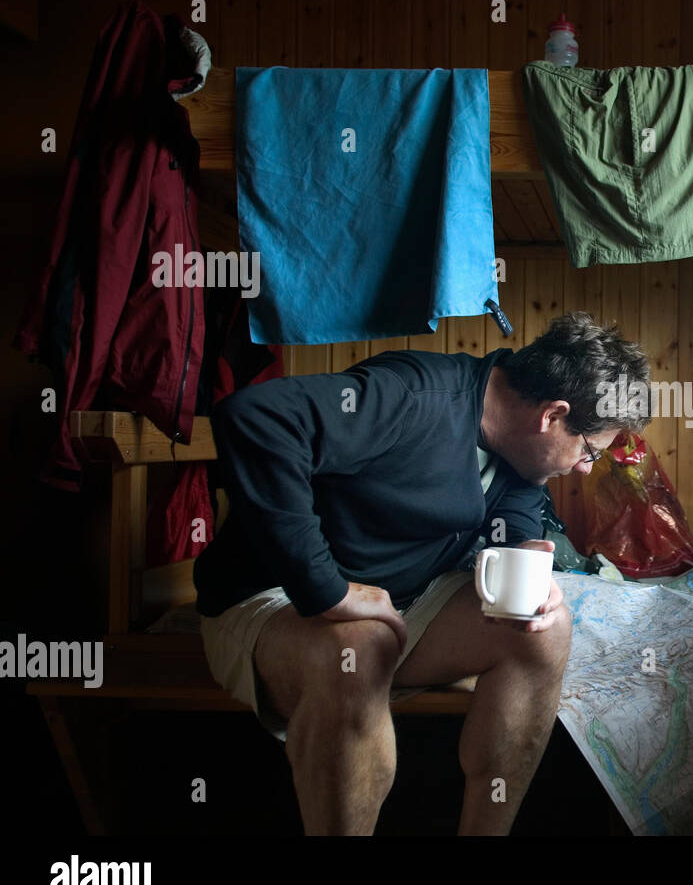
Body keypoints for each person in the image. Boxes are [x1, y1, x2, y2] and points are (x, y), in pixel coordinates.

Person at [193, 311, 651, 834]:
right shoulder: (412, 396)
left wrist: (528, 563)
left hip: (401, 604)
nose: (586, 468)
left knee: (546, 631)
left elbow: (517, 503)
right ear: (552, 415)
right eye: (590, 451)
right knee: (360, 644)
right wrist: (324, 589)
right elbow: (254, 417)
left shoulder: (519, 449)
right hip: (277, 602)